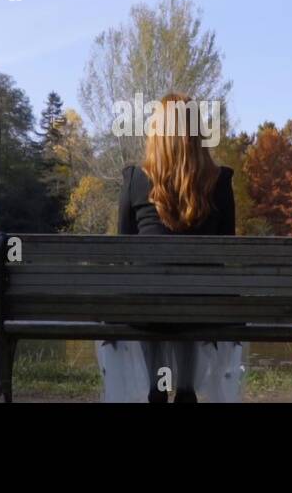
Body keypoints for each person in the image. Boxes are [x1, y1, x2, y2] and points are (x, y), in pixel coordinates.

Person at [96, 92, 244, 403]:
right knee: (192, 295)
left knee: (148, 292)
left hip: (146, 309)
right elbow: (228, 255)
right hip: (201, 310)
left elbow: (124, 253)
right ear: (196, 133)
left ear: (156, 133)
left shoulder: (135, 179)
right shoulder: (219, 182)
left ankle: (157, 388)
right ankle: (186, 389)